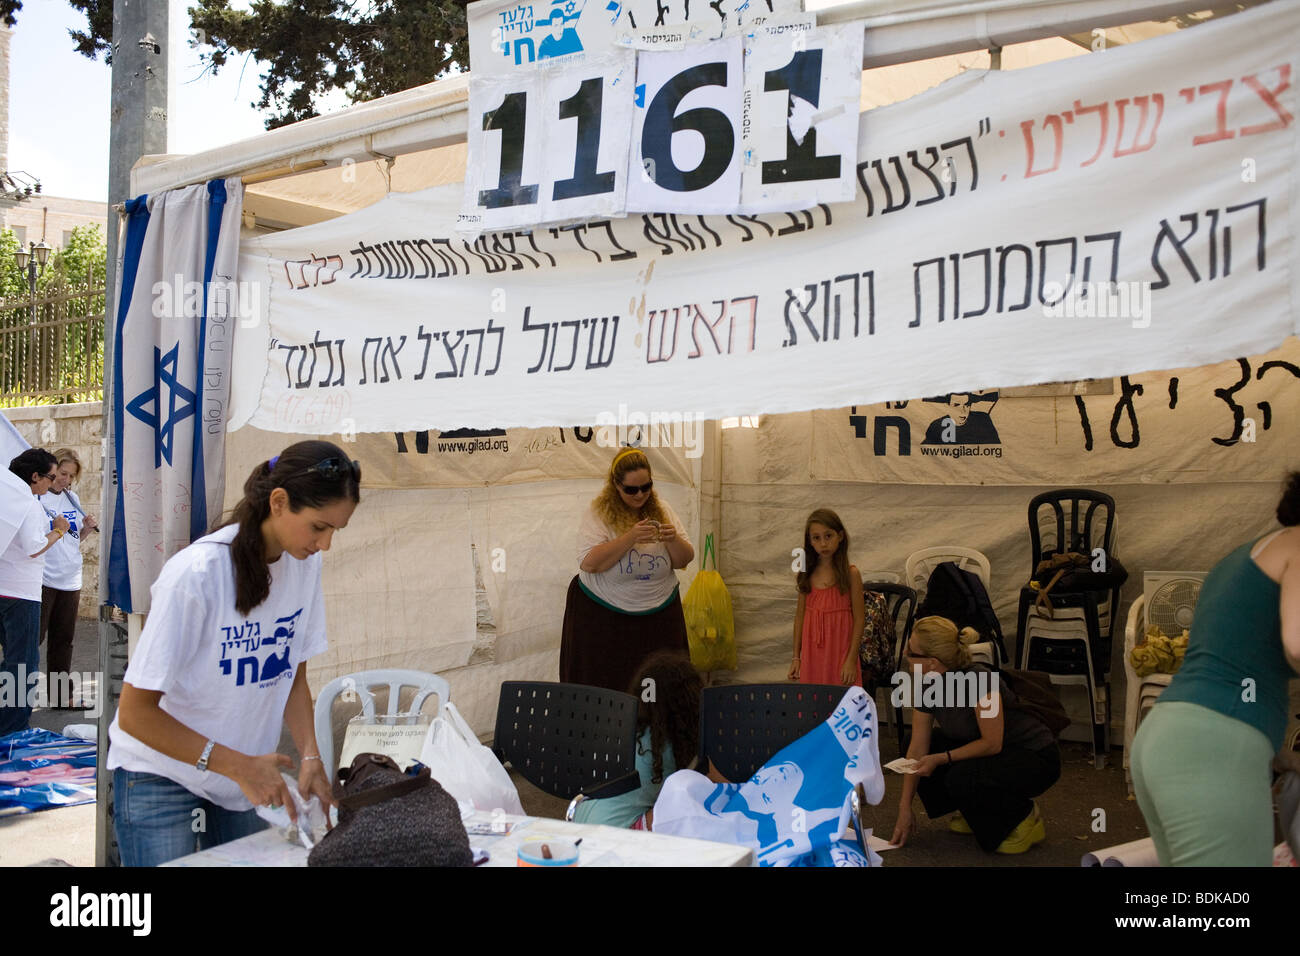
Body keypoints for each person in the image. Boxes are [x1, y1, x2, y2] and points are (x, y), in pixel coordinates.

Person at [106, 441, 361, 866]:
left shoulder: (304, 564)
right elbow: (135, 715)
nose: (326, 544)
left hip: (242, 776)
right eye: (319, 527)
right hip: (163, 774)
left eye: (336, 530)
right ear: (278, 502)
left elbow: (292, 675)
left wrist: (310, 756)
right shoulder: (195, 575)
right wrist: (238, 766)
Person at [1130, 472, 1300, 866]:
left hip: (1166, 735)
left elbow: (1233, 665)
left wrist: (1274, 752)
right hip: (1211, 750)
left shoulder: (1245, 556)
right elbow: (1296, 643)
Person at [890, 616, 1061, 854]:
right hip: (992, 751)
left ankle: (1022, 815)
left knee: (961, 776)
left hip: (1033, 755)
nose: (904, 653)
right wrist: (904, 808)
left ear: (931, 662)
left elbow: (992, 743)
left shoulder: (980, 681)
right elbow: (917, 748)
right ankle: (972, 808)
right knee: (913, 742)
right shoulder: (927, 685)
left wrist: (941, 758)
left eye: (911, 651)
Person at [559, 448, 694, 693]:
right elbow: (590, 563)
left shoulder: (663, 509)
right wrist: (630, 537)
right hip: (605, 614)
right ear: (616, 485)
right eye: (631, 490)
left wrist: (674, 539)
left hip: (658, 612)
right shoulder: (598, 512)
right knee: (610, 684)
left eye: (646, 487)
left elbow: (684, 559)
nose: (640, 494)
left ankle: (655, 718)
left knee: (662, 685)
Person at [571, 650, 706, 829]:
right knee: (686, 798)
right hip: (615, 833)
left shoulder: (621, 731)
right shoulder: (670, 747)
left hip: (578, 820)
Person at [0, 449, 69, 737]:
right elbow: (33, 547)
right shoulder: (28, 503)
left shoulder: (7, 496)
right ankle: (13, 730)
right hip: (21, 594)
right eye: (51, 477)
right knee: (22, 664)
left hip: (5, 588)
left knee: (12, 663)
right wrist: (59, 531)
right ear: (35, 476)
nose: (52, 484)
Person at [38, 448, 98, 709]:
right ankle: (14, 698)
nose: (66, 480)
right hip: (44, 578)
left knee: (63, 641)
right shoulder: (39, 498)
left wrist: (85, 530)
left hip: (70, 579)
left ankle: (62, 697)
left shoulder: (72, 498)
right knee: (32, 641)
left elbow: (72, 541)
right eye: (63, 473)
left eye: (71, 476)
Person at [789, 509, 865, 686]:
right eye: (816, 538)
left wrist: (851, 660)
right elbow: (799, 617)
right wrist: (796, 657)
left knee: (843, 698)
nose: (823, 543)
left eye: (828, 536)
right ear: (810, 541)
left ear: (840, 536)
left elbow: (860, 619)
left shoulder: (851, 574)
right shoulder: (806, 573)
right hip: (812, 655)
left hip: (841, 653)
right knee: (814, 699)